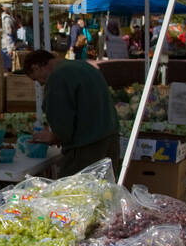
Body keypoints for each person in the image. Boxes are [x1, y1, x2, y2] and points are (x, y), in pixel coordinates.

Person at [24, 49, 119, 177]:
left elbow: (62, 123)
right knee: (106, 190)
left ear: (36, 67)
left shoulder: (58, 77)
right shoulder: (83, 66)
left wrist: (53, 136)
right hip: (109, 140)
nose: (40, 83)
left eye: (36, 79)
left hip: (86, 147)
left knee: (73, 193)